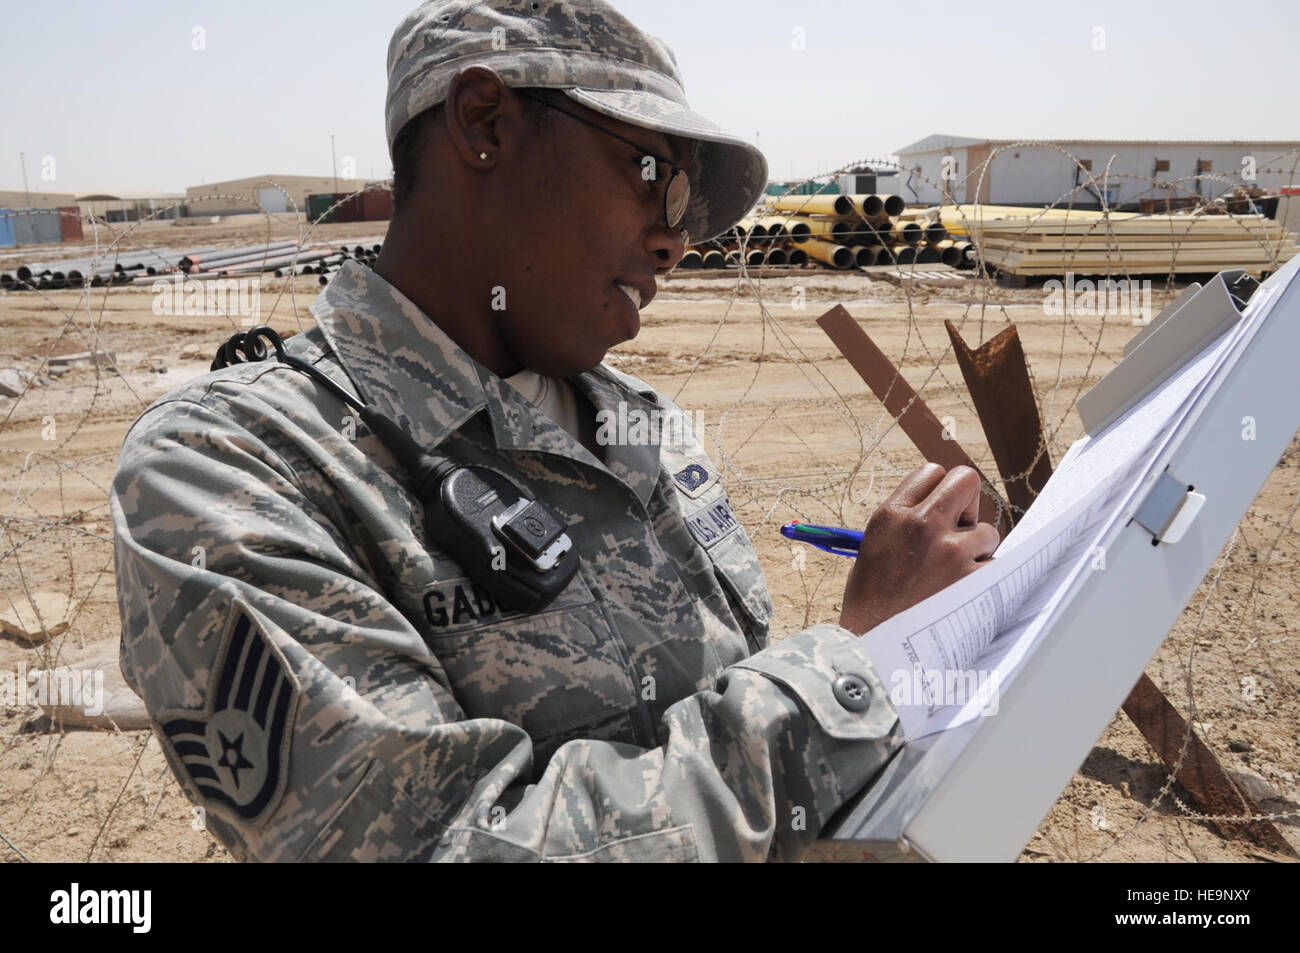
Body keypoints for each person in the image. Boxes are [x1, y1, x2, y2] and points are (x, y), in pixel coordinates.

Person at [110, 0, 999, 862]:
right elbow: (444, 845)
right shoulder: (236, 465)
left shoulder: (637, 422)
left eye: (687, 202)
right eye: (653, 175)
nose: (672, 240)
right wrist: (855, 668)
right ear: (484, 121)